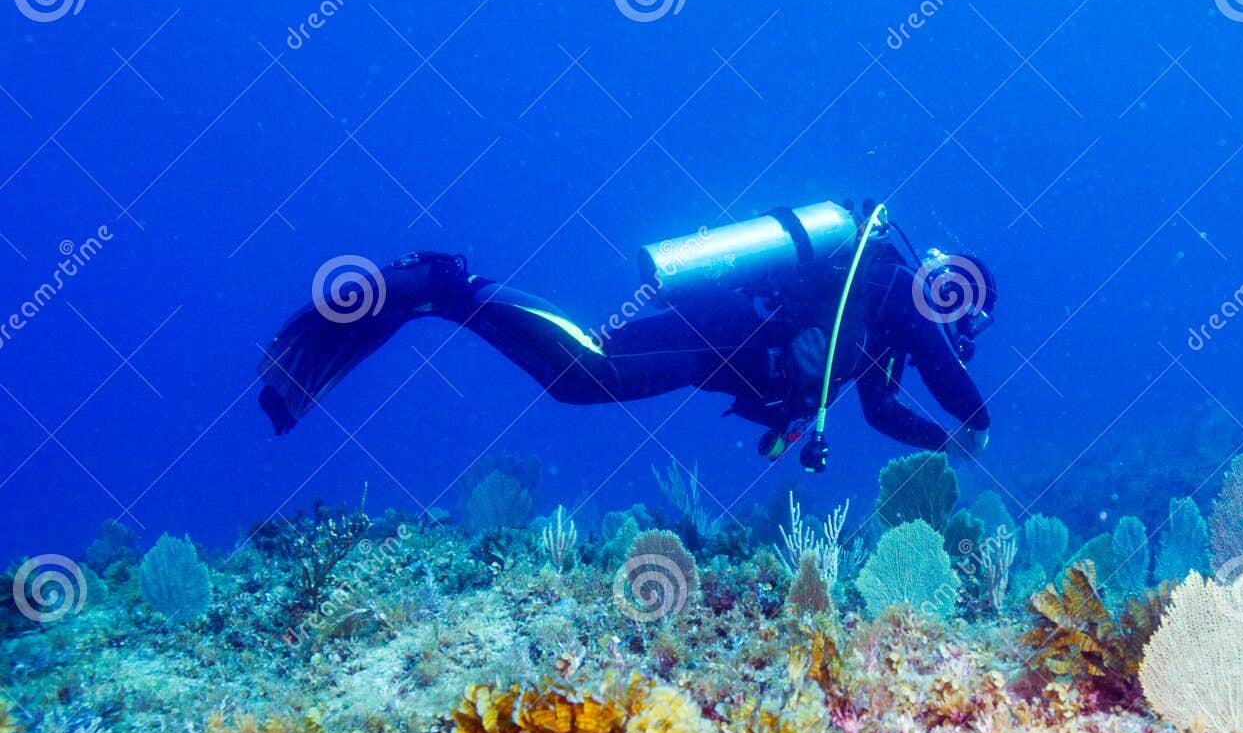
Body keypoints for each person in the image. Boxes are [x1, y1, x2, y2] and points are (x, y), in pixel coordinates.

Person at [257, 203, 993, 469]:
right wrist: (977, 427)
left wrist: (944, 444)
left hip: (727, 353)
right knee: (591, 371)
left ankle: (440, 299)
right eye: (969, 316)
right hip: (726, 335)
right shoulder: (899, 290)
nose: (961, 331)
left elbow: (882, 410)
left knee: (580, 381)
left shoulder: (884, 317)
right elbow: (943, 371)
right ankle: (449, 286)